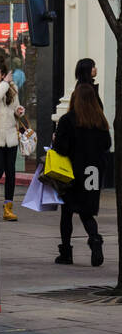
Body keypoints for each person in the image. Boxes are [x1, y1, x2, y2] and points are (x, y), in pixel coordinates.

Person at [53, 80, 112, 266]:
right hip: (94, 172)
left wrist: (57, 140)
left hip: (73, 171)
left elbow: (61, 148)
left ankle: (66, 252)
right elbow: (107, 145)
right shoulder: (100, 121)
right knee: (87, 212)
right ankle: (95, 239)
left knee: (67, 212)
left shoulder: (68, 120)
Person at [0, 60, 23, 221]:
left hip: (11, 137)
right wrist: (5, 83)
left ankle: (8, 207)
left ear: (4, 74)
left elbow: (16, 109)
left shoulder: (12, 88)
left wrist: (20, 111)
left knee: (11, 172)